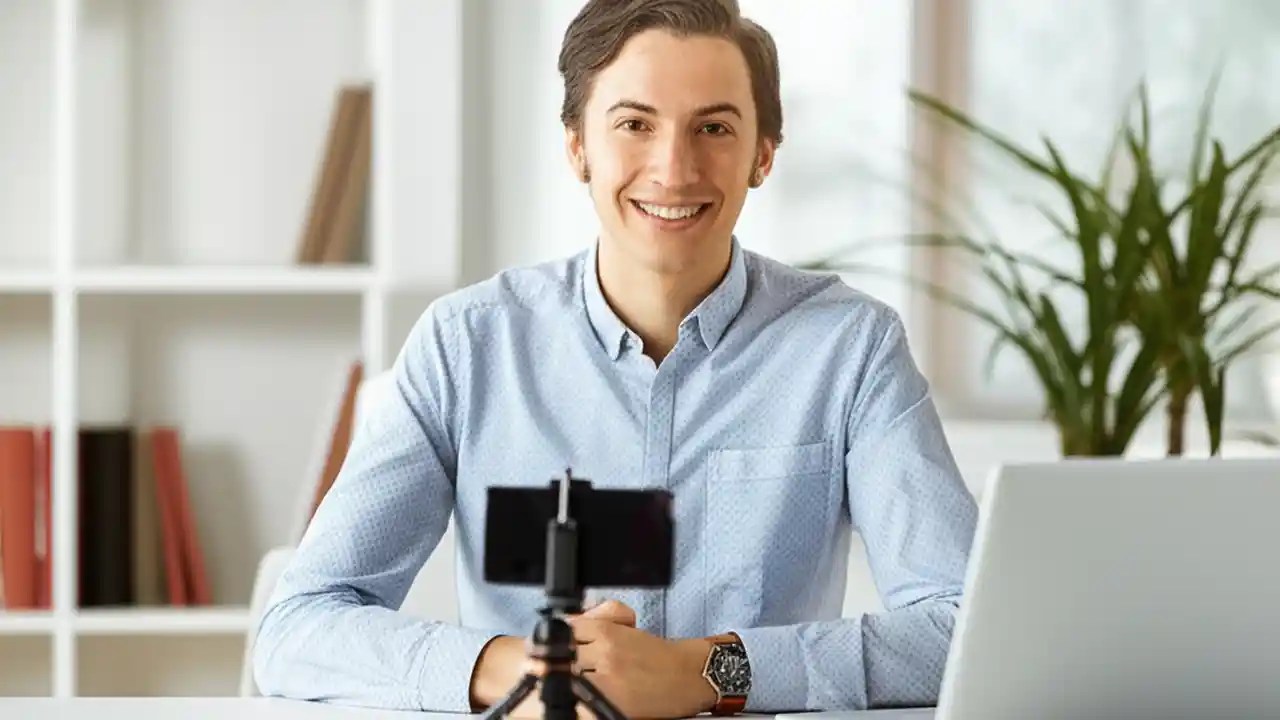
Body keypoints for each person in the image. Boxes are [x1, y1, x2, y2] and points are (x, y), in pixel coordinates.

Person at [252, 0, 978, 716]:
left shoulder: (851, 348)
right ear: (577, 146)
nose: (674, 168)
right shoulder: (465, 345)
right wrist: (515, 667)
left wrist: (709, 671)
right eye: (634, 124)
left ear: (763, 154)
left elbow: (961, 627)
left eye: (714, 128)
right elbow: (297, 628)